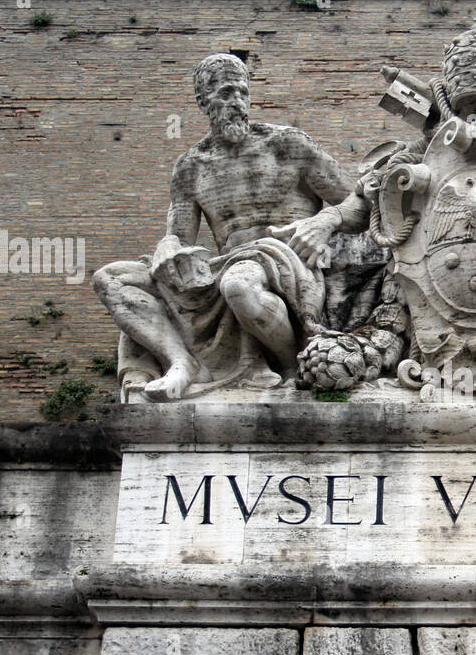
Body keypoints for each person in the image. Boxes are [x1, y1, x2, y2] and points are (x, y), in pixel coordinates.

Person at [92, 53, 352, 401]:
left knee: (238, 285)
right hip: (225, 265)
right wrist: (168, 247)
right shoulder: (191, 166)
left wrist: (325, 221)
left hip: (288, 262)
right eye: (227, 94)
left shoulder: (287, 144)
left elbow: (359, 202)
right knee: (111, 278)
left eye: (243, 93)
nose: (238, 103)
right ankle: (182, 362)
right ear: (203, 101)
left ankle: (292, 365)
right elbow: (180, 238)